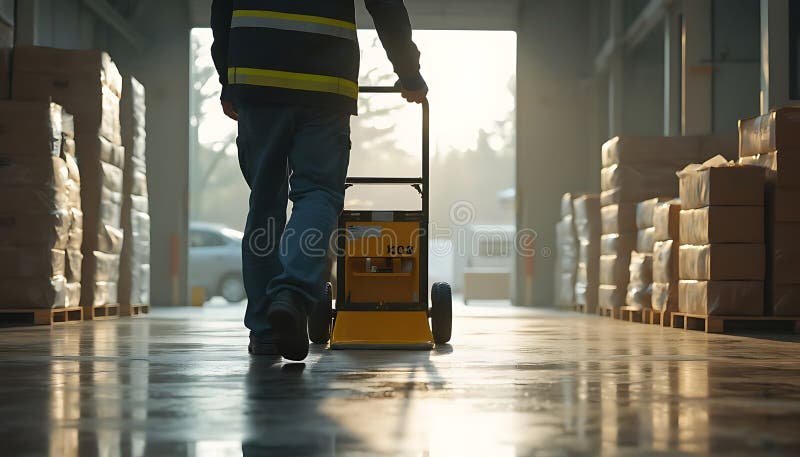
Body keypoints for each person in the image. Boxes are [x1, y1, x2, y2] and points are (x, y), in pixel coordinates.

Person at [210, 0, 427, 361]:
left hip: (256, 77)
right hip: (326, 84)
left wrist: (227, 79)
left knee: (265, 203)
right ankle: (292, 295)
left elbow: (222, 9)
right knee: (319, 194)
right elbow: (386, 6)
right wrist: (409, 73)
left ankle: (265, 333)